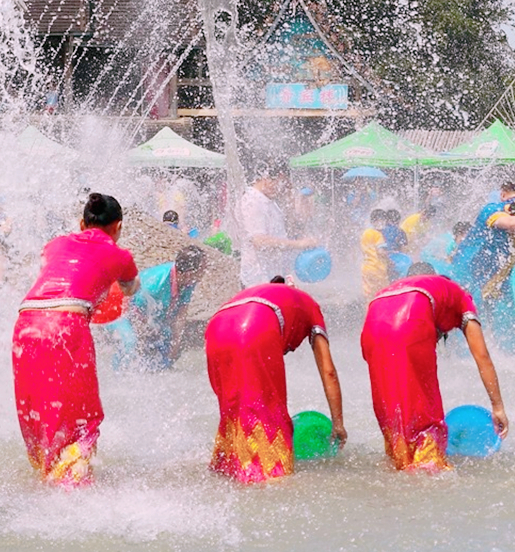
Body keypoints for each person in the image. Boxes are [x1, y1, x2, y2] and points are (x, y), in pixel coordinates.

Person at [12, 193, 140, 486]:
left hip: (25, 325)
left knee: (40, 410)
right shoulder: (120, 255)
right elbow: (130, 287)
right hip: (65, 326)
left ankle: (50, 475)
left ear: (82, 223)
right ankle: (73, 489)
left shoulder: (55, 244)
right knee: (82, 413)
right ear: (118, 226)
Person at [361, 262, 508, 472]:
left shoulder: (393, 289)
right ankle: (429, 469)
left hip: (372, 326)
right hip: (412, 321)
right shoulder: (460, 295)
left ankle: (399, 464)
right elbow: (482, 356)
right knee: (425, 406)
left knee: (392, 404)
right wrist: (498, 407)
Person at [205, 280, 346, 482]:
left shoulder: (255, 295)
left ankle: (230, 471)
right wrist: (338, 423)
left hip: (215, 330)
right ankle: (270, 480)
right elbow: (328, 370)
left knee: (234, 411)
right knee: (269, 415)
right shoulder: (308, 304)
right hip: (255, 326)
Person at [448, 182, 515, 353]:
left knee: (507, 319)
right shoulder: (492, 210)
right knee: (469, 322)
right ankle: (463, 360)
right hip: (468, 277)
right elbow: (509, 223)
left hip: (497, 280)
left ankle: (510, 357)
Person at [104, 245, 208, 371]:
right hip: (118, 311)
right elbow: (133, 312)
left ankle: (157, 375)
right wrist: (144, 337)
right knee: (130, 343)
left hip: (147, 317)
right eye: (202, 268)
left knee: (168, 342)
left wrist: (176, 341)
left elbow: (181, 313)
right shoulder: (155, 284)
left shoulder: (188, 282)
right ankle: (117, 376)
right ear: (189, 272)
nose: (205, 270)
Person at [237, 166, 316, 287]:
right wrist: (298, 244)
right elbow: (259, 241)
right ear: (266, 178)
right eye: (279, 183)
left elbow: (278, 231)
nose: (281, 188)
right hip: (258, 279)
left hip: (270, 275)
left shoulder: (266, 200)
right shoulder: (252, 201)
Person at [361, 208, 395, 299]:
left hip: (367, 268)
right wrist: (389, 260)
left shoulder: (366, 233)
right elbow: (380, 252)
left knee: (369, 295)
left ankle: (368, 311)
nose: (384, 223)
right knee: (382, 294)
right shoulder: (378, 235)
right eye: (383, 220)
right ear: (378, 221)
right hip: (377, 269)